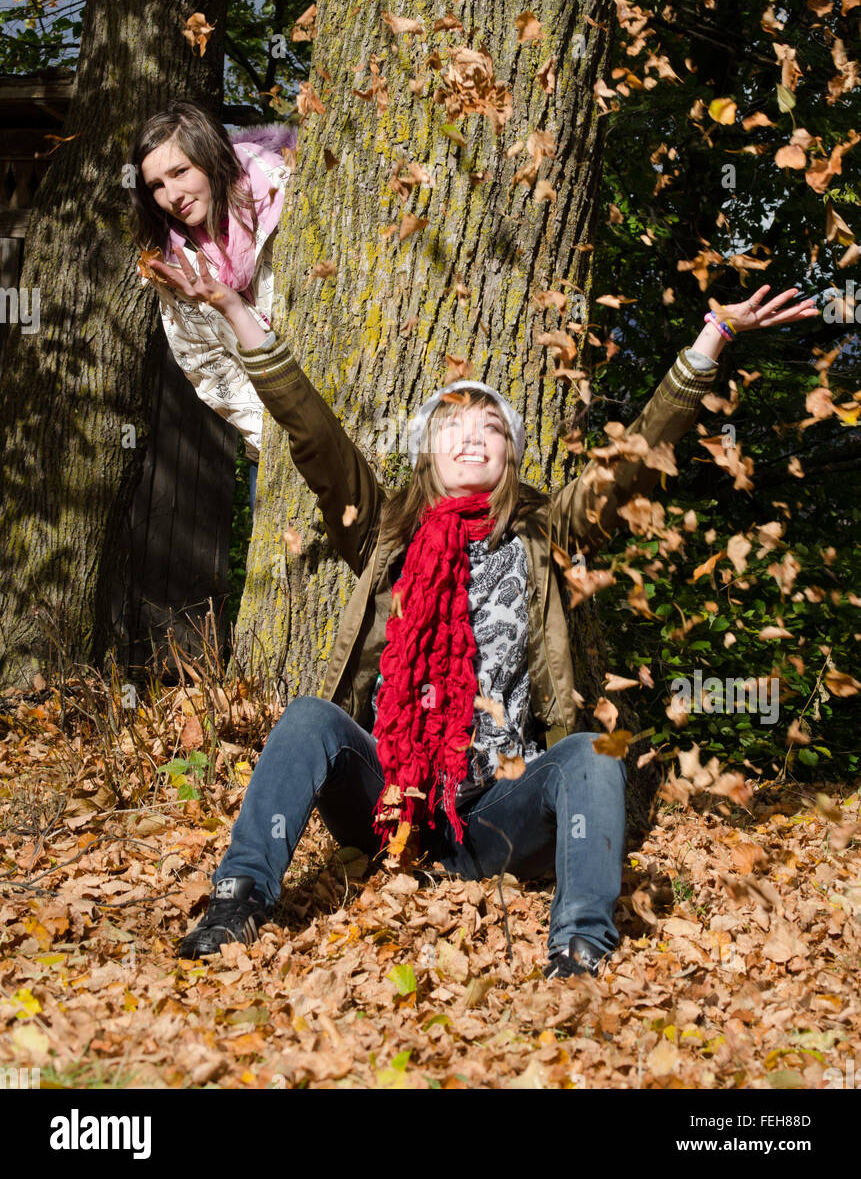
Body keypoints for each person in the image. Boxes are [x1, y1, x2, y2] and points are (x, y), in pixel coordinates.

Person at [169, 269, 818, 976]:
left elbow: (629, 465)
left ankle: (580, 946)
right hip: (389, 802)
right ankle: (237, 903)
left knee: (595, 752)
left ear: (510, 453)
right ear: (426, 450)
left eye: (491, 428)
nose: (471, 438)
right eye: (452, 426)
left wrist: (712, 336)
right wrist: (233, 308)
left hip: (498, 811)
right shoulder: (385, 529)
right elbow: (313, 434)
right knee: (306, 718)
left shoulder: (545, 532)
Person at [129, 100, 296, 512]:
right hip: (277, 447)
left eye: (180, 172)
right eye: (156, 186)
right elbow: (205, 362)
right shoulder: (173, 264)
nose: (172, 196)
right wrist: (276, 434)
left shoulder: (287, 194)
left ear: (210, 157)